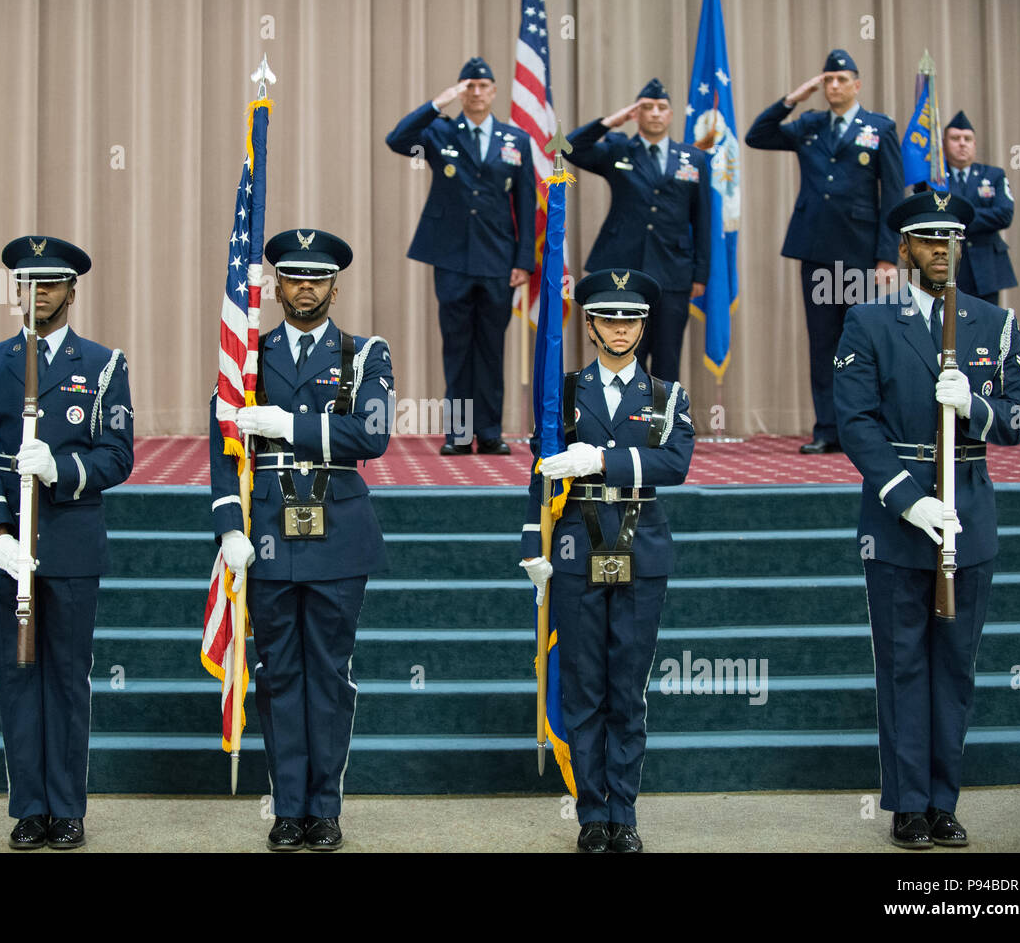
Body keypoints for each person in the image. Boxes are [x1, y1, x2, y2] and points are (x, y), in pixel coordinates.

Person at [833, 191, 1020, 848]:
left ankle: (944, 801)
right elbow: (856, 423)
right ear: (904, 248)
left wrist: (975, 402)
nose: (941, 250)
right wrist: (908, 498)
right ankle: (907, 803)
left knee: (955, 666)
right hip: (898, 516)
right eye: (928, 239)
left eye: (951, 240)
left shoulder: (992, 324)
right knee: (902, 665)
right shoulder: (868, 321)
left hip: (968, 512)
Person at [210, 228, 394, 852]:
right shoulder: (248, 357)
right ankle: (288, 807)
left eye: (317, 277)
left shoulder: (364, 353)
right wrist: (228, 525)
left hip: (337, 529)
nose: (306, 286)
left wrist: (290, 423)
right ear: (277, 287)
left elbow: (371, 436)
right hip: (265, 527)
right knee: (279, 674)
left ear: (335, 286)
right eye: (294, 277)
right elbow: (222, 447)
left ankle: (325, 808)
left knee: (330, 674)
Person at [0, 236, 134, 850]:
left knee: (66, 677)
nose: (39, 294)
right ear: (16, 290)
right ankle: (30, 807)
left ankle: (68, 807)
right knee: (17, 675)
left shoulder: (104, 364)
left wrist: (62, 469)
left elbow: (118, 456)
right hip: (9, 545)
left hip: (73, 541)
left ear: (71, 289)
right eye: (28, 283)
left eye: (51, 283)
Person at [519, 269, 694, 853]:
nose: (619, 329)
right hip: (574, 547)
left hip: (640, 545)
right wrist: (531, 551)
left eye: (630, 319)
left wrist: (599, 459)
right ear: (589, 325)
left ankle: (626, 812)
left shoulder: (668, 396)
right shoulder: (561, 392)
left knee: (628, 688)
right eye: (608, 319)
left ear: (643, 327)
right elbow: (537, 478)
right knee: (584, 685)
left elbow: (674, 466)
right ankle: (592, 814)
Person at [746, 48, 904, 454]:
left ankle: (864, 427)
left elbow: (893, 193)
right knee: (822, 344)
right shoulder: (809, 125)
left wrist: (888, 255)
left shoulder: (879, 127)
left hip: (858, 252)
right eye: (827, 80)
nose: (834, 86)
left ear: (857, 84)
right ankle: (827, 429)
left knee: (860, 342)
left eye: (841, 79)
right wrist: (793, 98)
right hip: (816, 249)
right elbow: (757, 135)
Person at [385, 56, 535, 455]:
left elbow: (525, 202)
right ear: (460, 91)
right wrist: (437, 104)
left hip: (497, 260)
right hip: (452, 257)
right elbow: (397, 139)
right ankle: (457, 432)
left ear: (495, 91)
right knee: (456, 347)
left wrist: (523, 261)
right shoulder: (439, 132)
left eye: (483, 85)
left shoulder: (514, 140)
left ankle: (488, 432)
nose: (476, 92)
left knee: (491, 348)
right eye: (468, 85)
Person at [567, 79, 711, 381]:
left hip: (673, 270)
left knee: (668, 353)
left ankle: (665, 424)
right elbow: (569, 147)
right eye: (647, 107)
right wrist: (609, 122)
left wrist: (700, 273)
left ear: (671, 115)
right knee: (624, 351)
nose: (655, 113)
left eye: (662, 108)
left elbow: (703, 219)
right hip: (624, 270)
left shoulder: (693, 159)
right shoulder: (619, 149)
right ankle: (625, 424)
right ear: (636, 114)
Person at [942, 111, 1017, 305]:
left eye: (967, 139)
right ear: (943, 143)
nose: (962, 143)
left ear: (974, 144)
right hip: (947, 265)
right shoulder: (934, 179)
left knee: (986, 330)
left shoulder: (993, 175)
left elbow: (1004, 214)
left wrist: (957, 217)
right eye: (955, 138)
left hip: (986, 269)